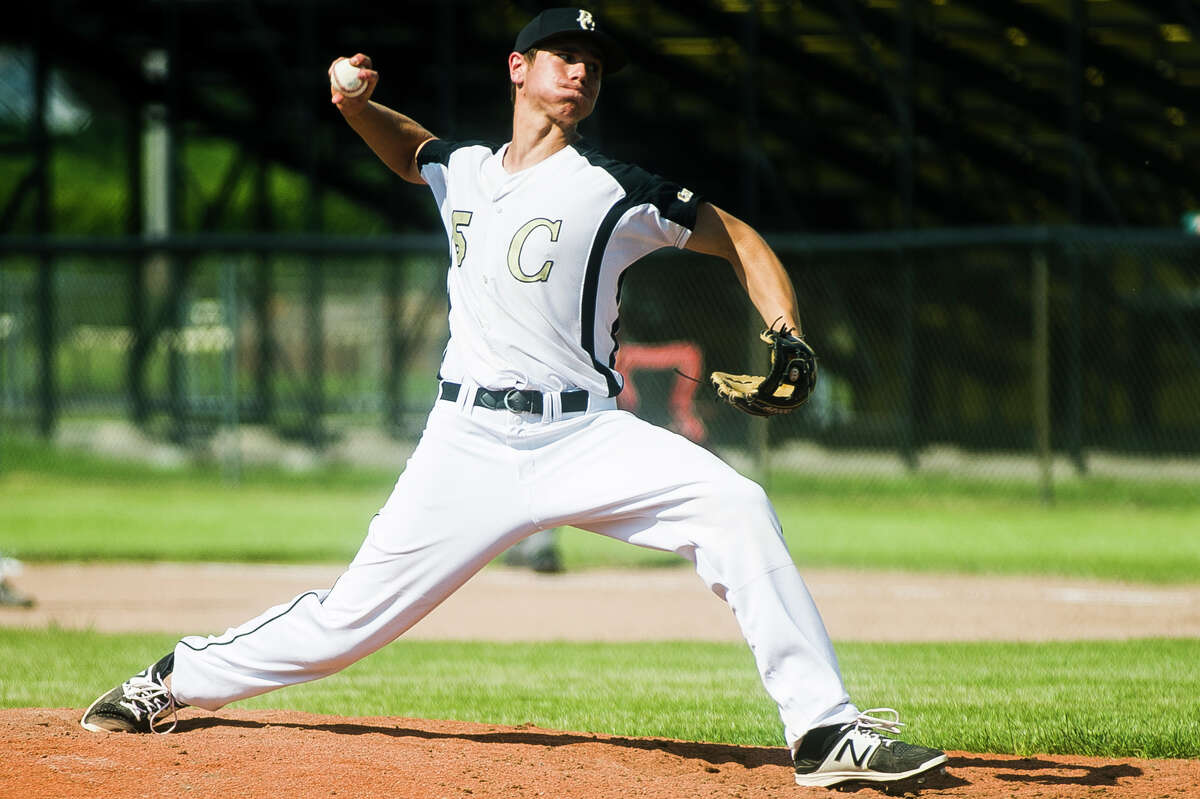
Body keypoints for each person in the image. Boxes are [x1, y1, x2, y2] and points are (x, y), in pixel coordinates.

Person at [80, 8, 947, 789]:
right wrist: (353, 107)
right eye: (564, 56)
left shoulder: (616, 189)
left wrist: (786, 331)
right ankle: (172, 679)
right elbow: (411, 151)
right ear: (517, 68)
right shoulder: (465, 170)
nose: (580, 73)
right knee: (346, 625)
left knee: (737, 505)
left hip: (587, 436)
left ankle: (825, 730)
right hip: (467, 441)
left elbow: (739, 238)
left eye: (593, 66)